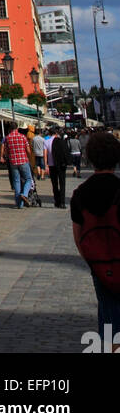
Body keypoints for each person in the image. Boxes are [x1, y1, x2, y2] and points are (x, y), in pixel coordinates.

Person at [70, 131, 120, 348]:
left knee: (108, 316)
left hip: (100, 265)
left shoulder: (80, 193)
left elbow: (78, 236)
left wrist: (94, 260)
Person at [3, 125, 35, 209]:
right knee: (28, 179)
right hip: (23, 160)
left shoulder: (7, 138)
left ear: (10, 129)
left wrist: (9, 158)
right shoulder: (22, 137)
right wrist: (28, 158)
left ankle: (19, 204)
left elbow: (6, 152)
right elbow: (28, 150)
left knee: (16, 181)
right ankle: (24, 194)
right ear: (17, 128)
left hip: (13, 162)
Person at [46, 130, 71, 209]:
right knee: (62, 183)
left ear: (49, 134)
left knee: (54, 184)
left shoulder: (46, 142)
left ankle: (57, 201)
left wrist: (46, 165)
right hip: (61, 165)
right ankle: (62, 203)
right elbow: (66, 152)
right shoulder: (62, 141)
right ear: (56, 134)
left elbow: (45, 154)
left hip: (51, 165)